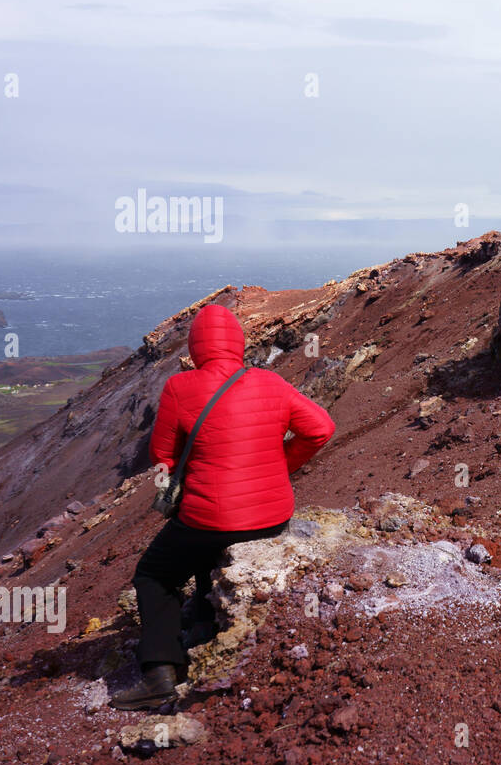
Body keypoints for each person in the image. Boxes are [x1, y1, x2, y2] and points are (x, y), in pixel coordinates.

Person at [110, 303, 335, 710]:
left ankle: (159, 672)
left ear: (196, 347)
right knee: (205, 542)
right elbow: (320, 428)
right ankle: (203, 621)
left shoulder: (180, 388)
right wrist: (279, 466)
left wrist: (181, 482)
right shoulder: (270, 381)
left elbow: (163, 456)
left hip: (208, 518)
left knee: (154, 574)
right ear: (238, 344)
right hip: (270, 517)